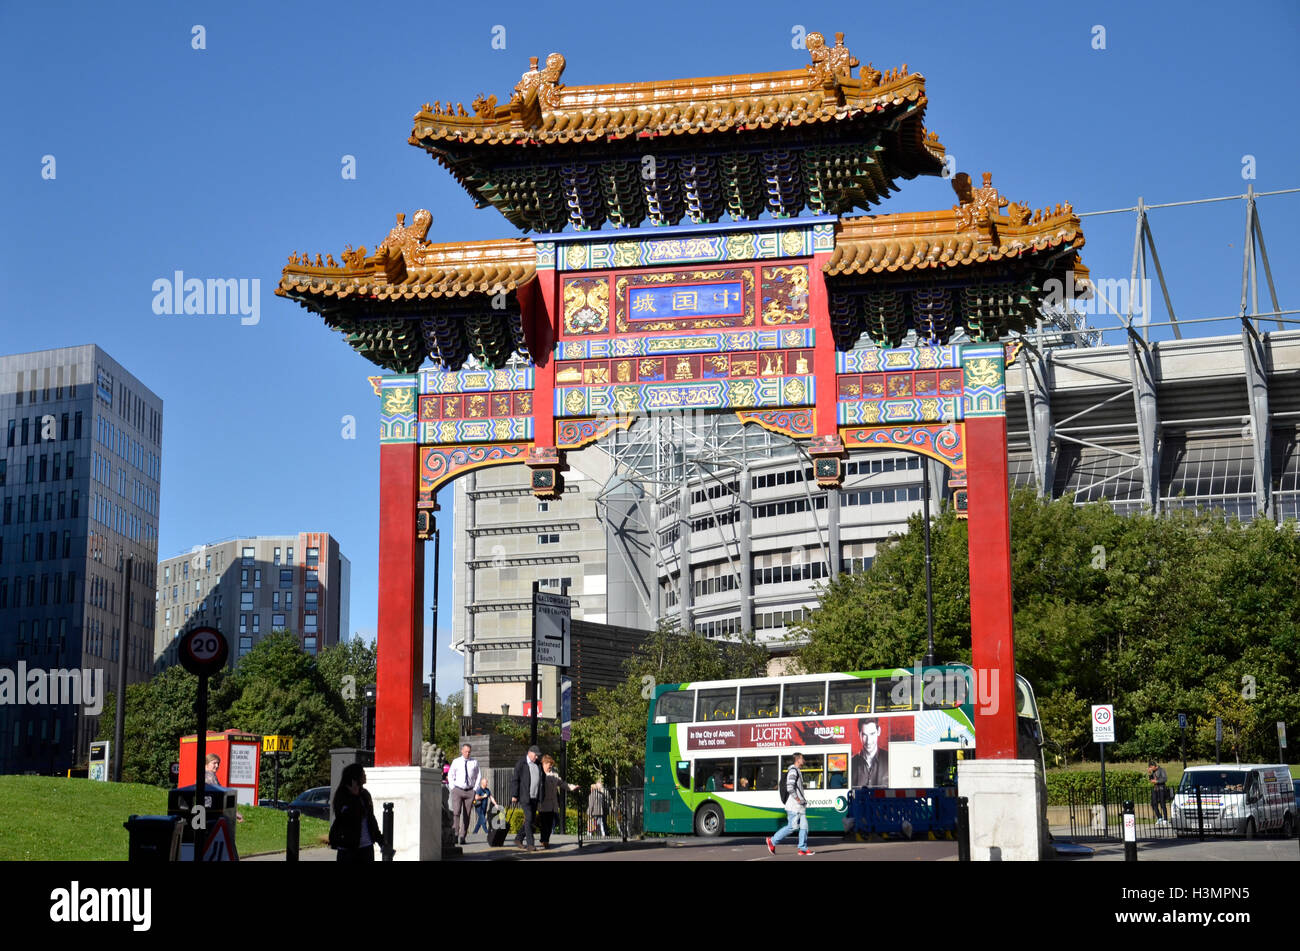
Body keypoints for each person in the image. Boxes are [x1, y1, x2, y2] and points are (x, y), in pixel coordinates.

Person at [331, 763, 382, 862]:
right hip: (348, 848)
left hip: (366, 847)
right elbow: (345, 818)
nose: (365, 775)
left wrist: (380, 840)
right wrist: (354, 797)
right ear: (355, 777)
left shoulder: (365, 794)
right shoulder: (342, 795)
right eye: (363, 773)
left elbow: (371, 819)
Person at [766, 752, 814, 856]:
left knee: (804, 826)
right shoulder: (793, 771)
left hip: (799, 806)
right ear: (798, 759)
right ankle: (772, 841)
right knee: (792, 826)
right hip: (794, 806)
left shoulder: (797, 771)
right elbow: (790, 787)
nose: (804, 760)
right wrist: (797, 799)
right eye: (802, 758)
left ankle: (803, 848)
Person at [538, 754, 578, 849]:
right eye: (548, 763)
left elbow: (563, 784)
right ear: (543, 763)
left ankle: (545, 840)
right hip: (543, 804)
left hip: (552, 805)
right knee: (544, 825)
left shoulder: (555, 775)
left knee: (550, 824)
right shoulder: (539, 774)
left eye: (551, 764)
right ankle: (544, 840)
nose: (550, 766)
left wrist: (573, 787)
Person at [510, 745, 544, 852]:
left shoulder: (538, 764)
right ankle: (530, 844)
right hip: (525, 797)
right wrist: (514, 795)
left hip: (535, 796)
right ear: (530, 753)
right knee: (529, 819)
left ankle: (518, 838)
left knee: (531, 820)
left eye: (538, 755)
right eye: (535, 755)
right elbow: (515, 780)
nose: (537, 757)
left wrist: (541, 796)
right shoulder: (521, 763)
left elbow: (542, 781)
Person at [448, 743, 480, 845]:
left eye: (469, 752)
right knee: (456, 812)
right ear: (462, 751)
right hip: (457, 789)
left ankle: (463, 836)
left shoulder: (474, 762)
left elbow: (478, 775)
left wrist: (475, 788)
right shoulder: (456, 761)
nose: (467, 753)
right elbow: (450, 774)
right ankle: (455, 834)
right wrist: (452, 787)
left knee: (467, 814)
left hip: (470, 790)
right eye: (465, 751)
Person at [852, 719, 889, 788]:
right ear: (859, 734)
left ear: (879, 731)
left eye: (872, 734)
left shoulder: (889, 759)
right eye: (864, 735)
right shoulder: (851, 763)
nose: (868, 741)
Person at [1148, 760, 1170, 825]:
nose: (1151, 769)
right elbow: (1151, 780)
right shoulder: (1153, 772)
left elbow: (1165, 779)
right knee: (1153, 803)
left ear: (1154, 766)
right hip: (1155, 789)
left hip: (1161, 789)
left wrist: (1157, 781)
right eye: (1150, 768)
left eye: (1151, 767)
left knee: (1162, 804)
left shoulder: (1161, 770)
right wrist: (1149, 774)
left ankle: (1165, 819)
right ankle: (1159, 817)